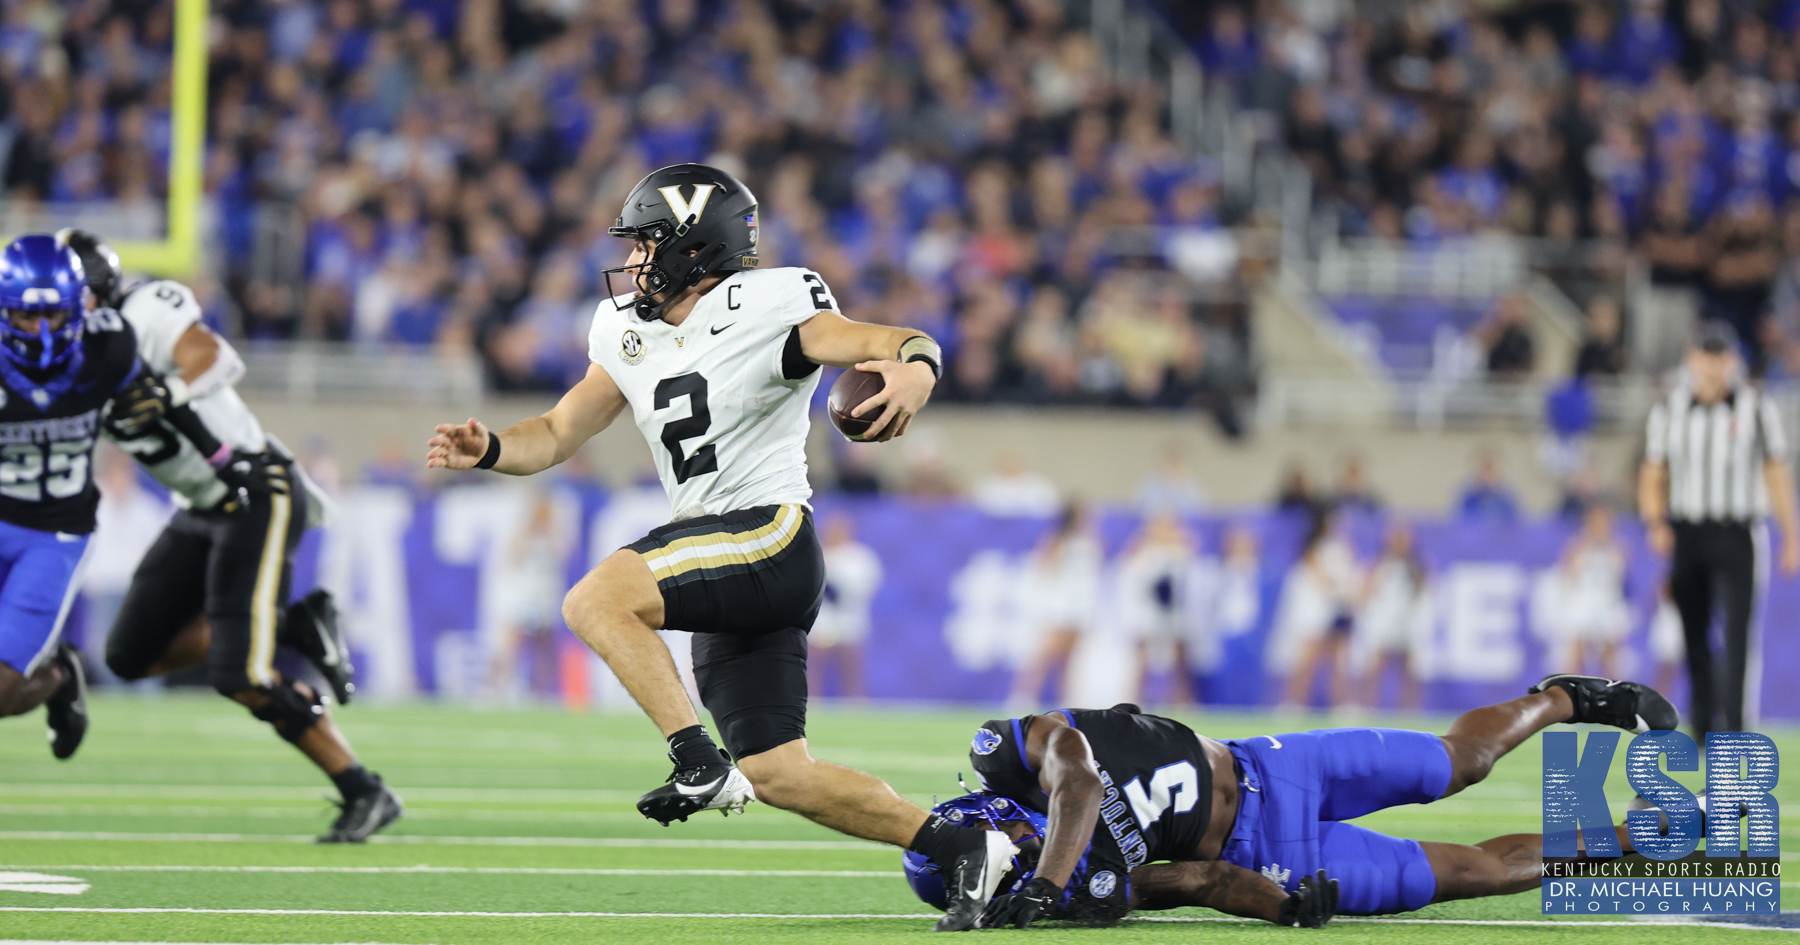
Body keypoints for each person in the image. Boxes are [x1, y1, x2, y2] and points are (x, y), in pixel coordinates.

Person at [424, 164, 1013, 931]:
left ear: (694, 248)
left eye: (645, 244)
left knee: (596, 598)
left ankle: (698, 761)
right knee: (780, 774)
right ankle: (969, 846)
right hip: (725, 554)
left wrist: (917, 371)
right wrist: (493, 446)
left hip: (767, 532)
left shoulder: (771, 301)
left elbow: (889, 339)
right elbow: (560, 431)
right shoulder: (624, 331)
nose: (633, 261)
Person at [64, 231, 398, 843]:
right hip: (200, 503)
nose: (54, 318)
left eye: (67, 301)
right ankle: (295, 624)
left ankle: (364, 789)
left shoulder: (145, 311)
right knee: (128, 655)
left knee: (241, 674)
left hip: (254, 486)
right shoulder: (59, 361)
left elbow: (217, 358)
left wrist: (167, 390)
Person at [904, 675, 1680, 928]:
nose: (994, 879)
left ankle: (1561, 699)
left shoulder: (1005, 754)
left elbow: (1079, 779)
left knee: (1460, 763)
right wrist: (1283, 906)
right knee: (1478, 871)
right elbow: (1196, 883)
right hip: (1259, 854)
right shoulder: (1071, 891)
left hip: (1274, 769)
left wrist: (1043, 880)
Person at [0, 234, 152, 759]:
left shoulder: (106, 348)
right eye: (25, 317)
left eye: (55, 316)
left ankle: (59, 675)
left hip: (53, 533)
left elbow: (155, 404)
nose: (42, 332)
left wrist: (218, 455)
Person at [1639, 321, 1800, 743]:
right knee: (1692, 632)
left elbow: (1776, 471)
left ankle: (1736, 727)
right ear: (1692, 360)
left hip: (1737, 533)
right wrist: (1655, 521)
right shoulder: (1669, 408)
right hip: (1688, 532)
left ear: (1732, 360)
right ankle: (1702, 725)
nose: (1712, 366)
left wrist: (1791, 534)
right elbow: (1653, 471)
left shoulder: (1757, 407)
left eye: (1720, 356)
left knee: (1737, 634)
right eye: (1705, 356)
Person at [1006, 504, 1103, 710]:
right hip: (1061, 603)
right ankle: (1023, 696)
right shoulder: (1059, 539)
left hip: (1081, 604)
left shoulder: (1089, 541)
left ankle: (1068, 700)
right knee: (1045, 654)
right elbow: (1045, 566)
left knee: (1070, 658)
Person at [485, 489, 575, 699]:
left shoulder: (556, 534)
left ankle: (541, 690)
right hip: (524, 596)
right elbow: (512, 558)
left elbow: (562, 556)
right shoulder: (523, 533)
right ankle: (493, 688)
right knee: (511, 642)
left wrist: (551, 532)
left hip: (544, 597)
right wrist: (529, 535)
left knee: (544, 645)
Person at [1271, 510, 1360, 711]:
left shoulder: (1342, 548)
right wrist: (1339, 587)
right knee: (1307, 658)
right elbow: (1322, 578)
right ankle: (1294, 702)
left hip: (1337, 610)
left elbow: (1348, 576)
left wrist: (1346, 594)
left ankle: (1341, 704)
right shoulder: (1314, 548)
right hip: (1316, 611)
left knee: (1338, 659)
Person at [1115, 511, 1204, 706]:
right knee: (1143, 656)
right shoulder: (1143, 552)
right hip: (1148, 610)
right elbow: (1137, 581)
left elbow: (1184, 573)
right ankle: (1134, 700)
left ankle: (1182, 700)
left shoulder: (1179, 550)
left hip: (1173, 612)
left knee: (1179, 656)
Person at [1350, 521, 1428, 711]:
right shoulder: (1378, 564)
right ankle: (1366, 707)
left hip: (1406, 621)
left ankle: (1409, 711)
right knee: (1375, 665)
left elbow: (1423, 591)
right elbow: (1365, 592)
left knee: (1409, 669)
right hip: (1382, 621)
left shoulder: (1416, 567)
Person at [808, 513, 883, 699]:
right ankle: (811, 701)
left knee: (850, 664)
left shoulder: (859, 556)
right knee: (815, 662)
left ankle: (854, 701)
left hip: (849, 618)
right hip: (823, 619)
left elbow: (867, 585)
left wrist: (840, 591)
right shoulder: (816, 553)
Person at [1456, 449, 1519, 524]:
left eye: (1490, 469)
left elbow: (1514, 522)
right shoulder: (1468, 497)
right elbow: (1461, 520)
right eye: (1483, 468)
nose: (1486, 475)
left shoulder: (1507, 498)